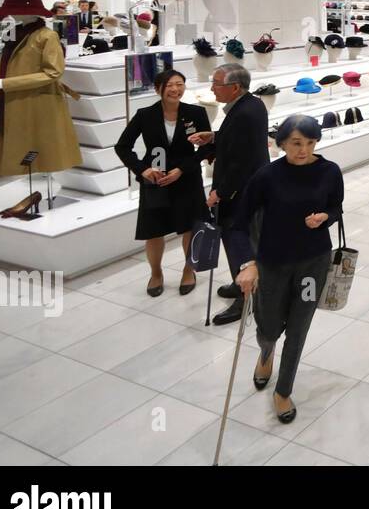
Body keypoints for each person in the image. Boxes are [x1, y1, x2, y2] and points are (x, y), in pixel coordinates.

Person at [225, 114, 344, 425]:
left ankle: (283, 390)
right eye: (295, 143)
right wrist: (247, 263)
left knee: (299, 325)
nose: (303, 150)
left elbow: (336, 207)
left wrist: (325, 218)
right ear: (281, 144)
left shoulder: (330, 171)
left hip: (313, 262)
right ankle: (266, 353)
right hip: (273, 263)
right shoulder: (266, 177)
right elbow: (237, 225)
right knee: (268, 324)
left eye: (309, 143)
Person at [113, 69, 210, 297]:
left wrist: (181, 169)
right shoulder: (145, 115)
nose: (176, 89)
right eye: (170, 86)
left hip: (186, 177)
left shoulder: (195, 112)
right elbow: (122, 146)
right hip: (155, 179)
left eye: (180, 84)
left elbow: (207, 147)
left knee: (190, 227)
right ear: (158, 90)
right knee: (153, 230)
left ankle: (189, 269)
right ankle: (156, 273)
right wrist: (143, 169)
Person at [187, 62, 269, 326]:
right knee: (235, 242)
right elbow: (237, 140)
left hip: (240, 194)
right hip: (245, 189)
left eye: (217, 84)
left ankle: (247, 297)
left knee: (239, 243)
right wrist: (213, 137)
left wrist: (220, 192)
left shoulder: (245, 113)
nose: (212, 89)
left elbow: (240, 161)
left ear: (234, 88)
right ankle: (240, 282)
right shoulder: (249, 105)